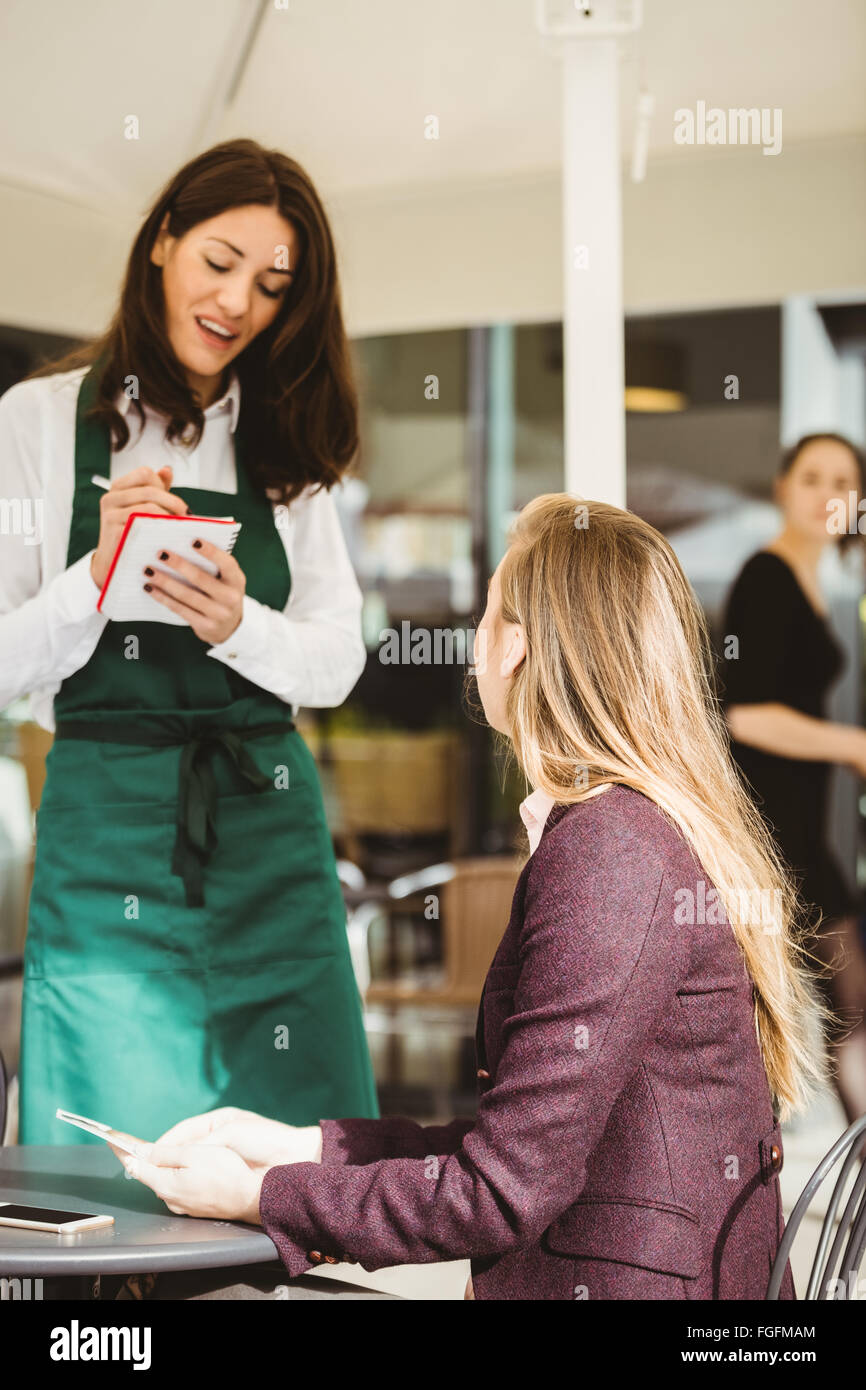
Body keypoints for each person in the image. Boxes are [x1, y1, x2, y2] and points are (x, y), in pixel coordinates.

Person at [114, 495, 826, 1301]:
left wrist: (257, 1197)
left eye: (487, 612)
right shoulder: (627, 833)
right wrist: (297, 1148)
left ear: (516, 648)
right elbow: (521, 1145)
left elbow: (500, 1189)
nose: (473, 641)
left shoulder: (612, 853)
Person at [0, 138, 378, 1143]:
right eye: (219, 262)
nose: (239, 302)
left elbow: (336, 659)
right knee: (106, 1147)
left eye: (272, 283)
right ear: (161, 242)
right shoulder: (37, 422)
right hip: (104, 831)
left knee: (285, 1148)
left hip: (267, 824)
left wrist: (236, 625)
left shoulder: (289, 437)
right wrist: (93, 578)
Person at [723, 432, 866, 1123]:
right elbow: (744, 717)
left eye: (843, 482)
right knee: (830, 1009)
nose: (828, 494)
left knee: (844, 1007)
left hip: (801, 836)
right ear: (782, 488)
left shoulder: (808, 580)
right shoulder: (766, 576)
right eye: (812, 478)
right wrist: (852, 744)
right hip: (769, 836)